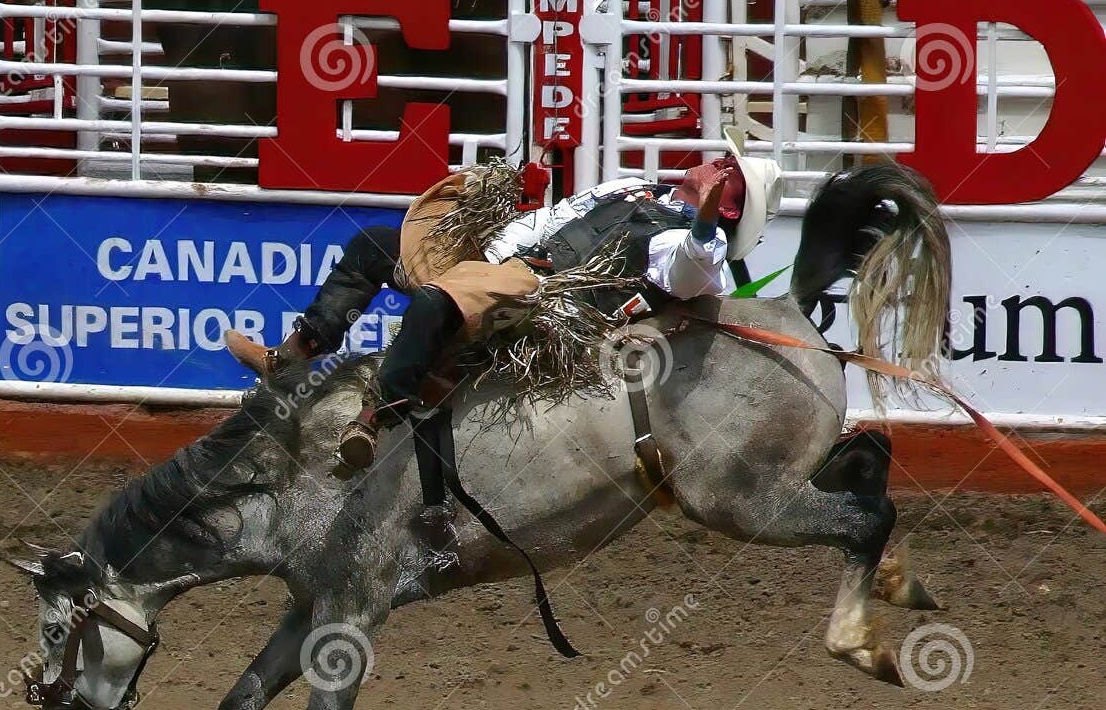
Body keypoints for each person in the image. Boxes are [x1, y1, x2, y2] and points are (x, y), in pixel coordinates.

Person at [228, 137, 782, 469]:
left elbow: (689, 270)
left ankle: (376, 417)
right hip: (511, 268)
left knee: (438, 300)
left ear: (730, 210)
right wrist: (492, 253)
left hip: (551, 303)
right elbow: (554, 218)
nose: (719, 165)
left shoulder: (696, 244)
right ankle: (294, 356)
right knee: (374, 246)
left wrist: (704, 220)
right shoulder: (632, 187)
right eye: (724, 160)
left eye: (730, 174)